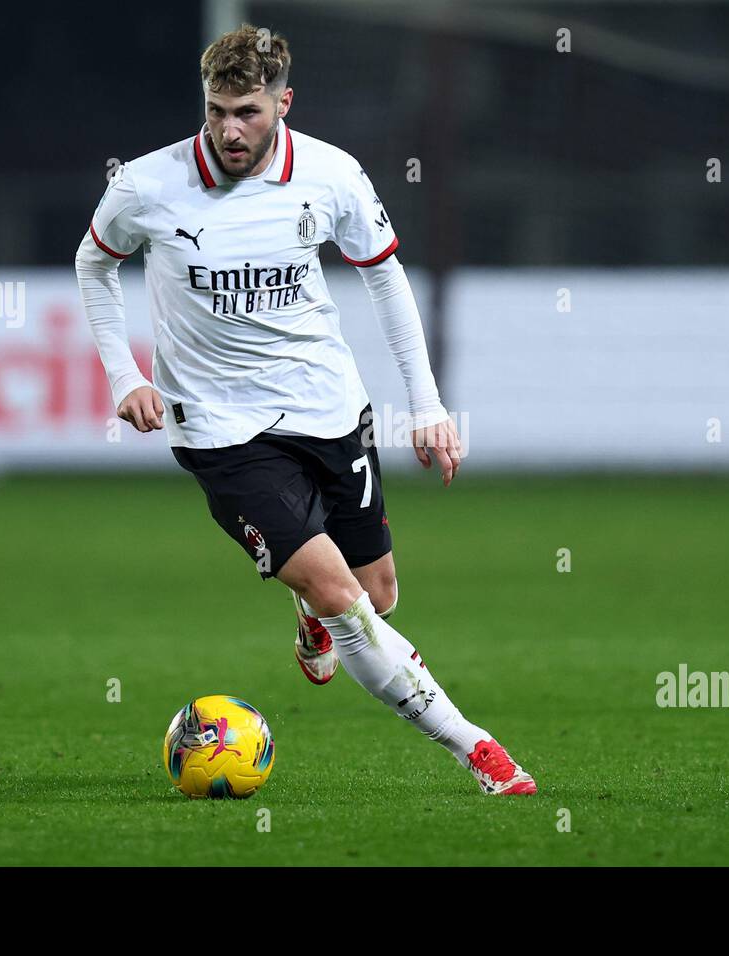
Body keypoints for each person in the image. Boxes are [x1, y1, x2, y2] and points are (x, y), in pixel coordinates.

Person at [74, 24, 534, 796]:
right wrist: (125, 376)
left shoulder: (332, 174)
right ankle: (478, 750)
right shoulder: (147, 185)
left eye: (247, 112)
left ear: (283, 103)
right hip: (219, 428)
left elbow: (384, 276)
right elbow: (94, 262)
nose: (229, 130)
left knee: (378, 595)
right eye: (216, 110)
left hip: (327, 407)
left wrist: (426, 404)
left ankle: (310, 619)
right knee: (342, 596)